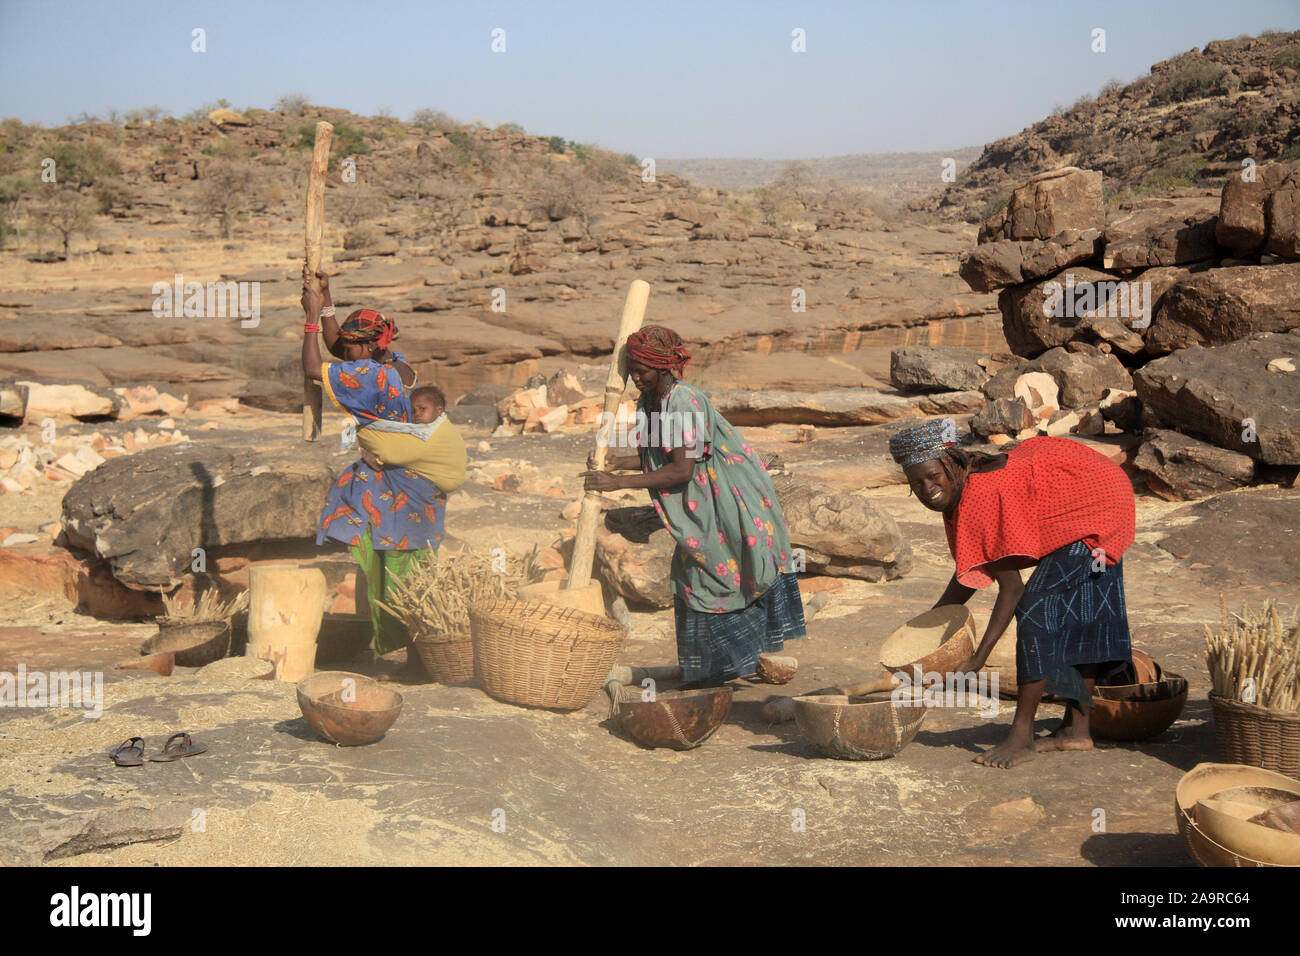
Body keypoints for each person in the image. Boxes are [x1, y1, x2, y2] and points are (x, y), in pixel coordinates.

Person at [889, 420, 1136, 769]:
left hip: (1101, 507)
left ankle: (1021, 736)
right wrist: (925, 630)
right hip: (1085, 495)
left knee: (1036, 608)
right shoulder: (961, 492)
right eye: (916, 483)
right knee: (1083, 611)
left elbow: (1012, 587)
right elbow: (974, 566)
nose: (927, 488)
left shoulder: (982, 494)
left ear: (952, 464)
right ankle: (1076, 731)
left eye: (933, 476)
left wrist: (978, 658)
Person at [581, 325, 805, 687]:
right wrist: (612, 464)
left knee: (723, 574)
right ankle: (708, 670)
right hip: (698, 505)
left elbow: (682, 469)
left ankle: (724, 667)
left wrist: (617, 484)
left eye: (644, 371)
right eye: (633, 371)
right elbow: (654, 456)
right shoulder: (650, 401)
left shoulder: (684, 401)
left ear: (663, 366)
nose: (637, 378)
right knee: (692, 578)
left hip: (726, 500)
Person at [300, 266, 447, 668]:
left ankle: (417, 656)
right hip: (418, 481)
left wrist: (311, 319)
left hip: (396, 485)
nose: (344, 355)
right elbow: (338, 349)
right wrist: (326, 299)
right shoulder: (394, 364)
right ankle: (415, 652)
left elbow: (315, 369)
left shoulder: (369, 378)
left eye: (351, 351)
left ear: (364, 350)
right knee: (403, 561)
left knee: (396, 565)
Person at [358, 385, 468, 494]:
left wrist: (377, 459)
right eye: (413, 411)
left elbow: (390, 453)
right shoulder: (434, 425)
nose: (417, 414)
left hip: (439, 482)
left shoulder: (436, 433)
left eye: (422, 409)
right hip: (439, 478)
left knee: (368, 472)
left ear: (439, 410)